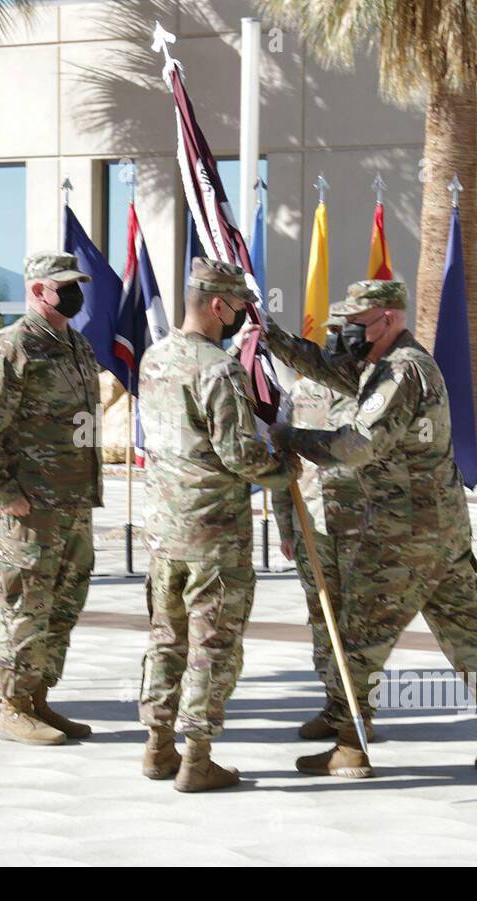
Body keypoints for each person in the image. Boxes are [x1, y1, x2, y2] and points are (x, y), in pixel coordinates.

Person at [264, 279, 477, 779]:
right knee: (468, 633)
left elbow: (356, 447)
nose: (347, 332)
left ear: (389, 319)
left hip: (406, 533)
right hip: (439, 529)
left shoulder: (402, 371)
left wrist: (290, 436)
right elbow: (325, 368)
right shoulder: (380, 365)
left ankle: (350, 747)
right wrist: (271, 336)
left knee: (358, 632)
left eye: (357, 323)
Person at [137, 258, 300, 793]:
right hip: (214, 537)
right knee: (213, 646)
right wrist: (284, 467)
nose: (239, 319)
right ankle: (197, 757)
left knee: (167, 640)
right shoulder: (218, 368)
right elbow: (239, 455)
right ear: (216, 305)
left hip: (164, 530)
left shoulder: (154, 359)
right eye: (237, 308)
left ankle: (157, 746)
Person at [0, 251, 102, 747]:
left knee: (62, 606)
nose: (74, 292)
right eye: (63, 284)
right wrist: (3, 492)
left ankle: (39, 697)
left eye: (76, 283)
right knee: (25, 607)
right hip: (29, 508)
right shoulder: (12, 346)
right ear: (37, 290)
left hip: (73, 504)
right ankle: (13, 706)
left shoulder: (77, 345)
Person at [269, 309, 370, 741]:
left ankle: (360, 709)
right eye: (326, 337)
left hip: (363, 525)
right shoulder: (299, 393)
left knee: (361, 620)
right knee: (322, 617)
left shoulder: (367, 389)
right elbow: (283, 461)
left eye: (340, 337)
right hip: (312, 522)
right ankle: (333, 704)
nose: (332, 346)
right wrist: (284, 526)